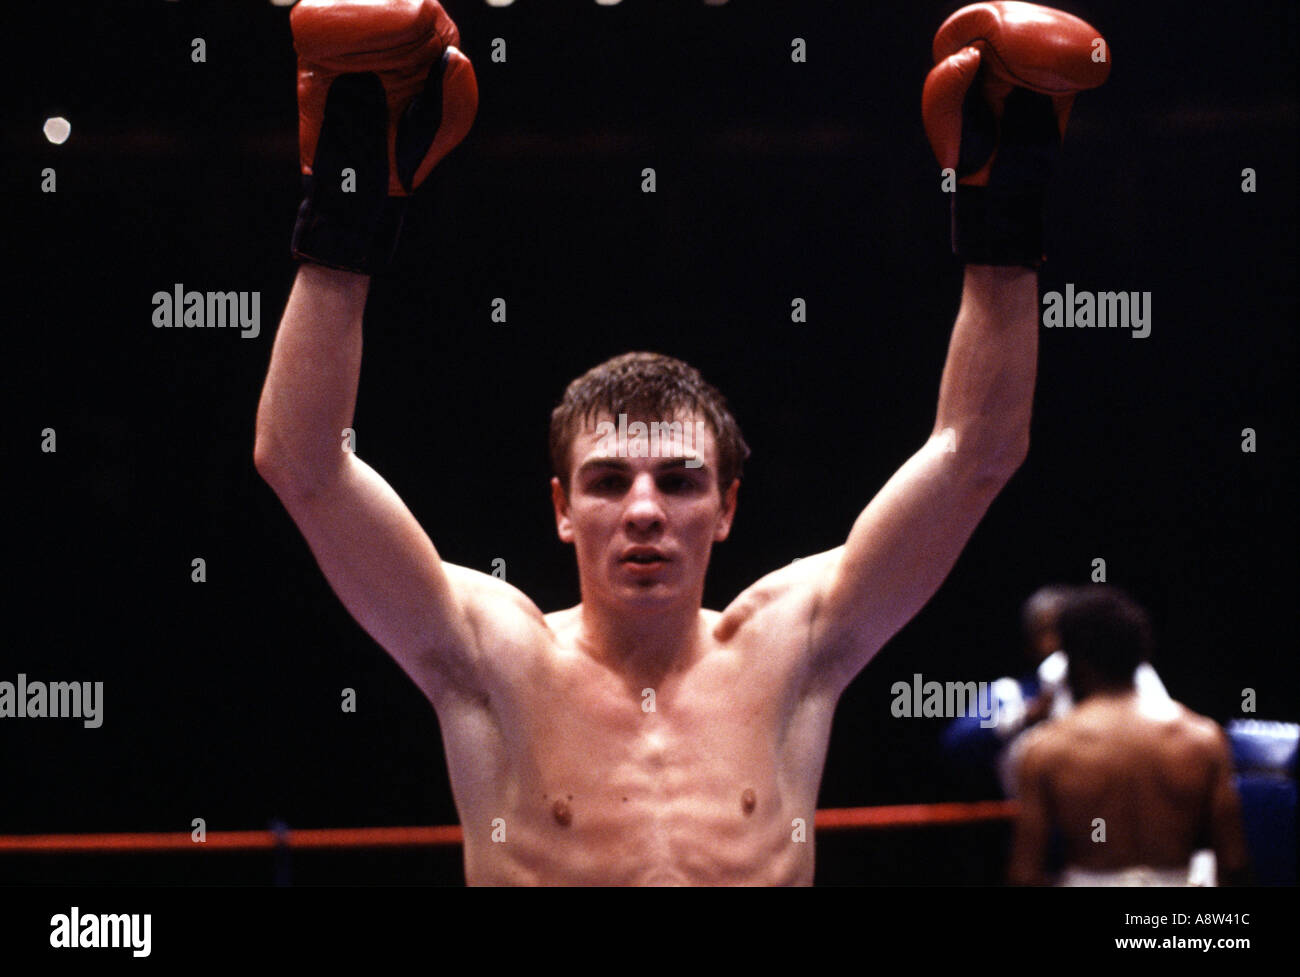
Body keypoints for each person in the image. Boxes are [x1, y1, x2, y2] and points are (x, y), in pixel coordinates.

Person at [254, 0, 1109, 883]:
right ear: (561, 507)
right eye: (609, 479)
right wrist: (345, 209)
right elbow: (303, 461)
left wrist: (1004, 209)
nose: (645, 510)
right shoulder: (488, 656)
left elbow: (979, 451)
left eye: (681, 478)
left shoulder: (794, 646)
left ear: (729, 504)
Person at [1008, 587, 1249, 886]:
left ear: (1072, 660)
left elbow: (1024, 875)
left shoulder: (1047, 749)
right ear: (1141, 651)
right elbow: (1234, 861)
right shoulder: (1202, 738)